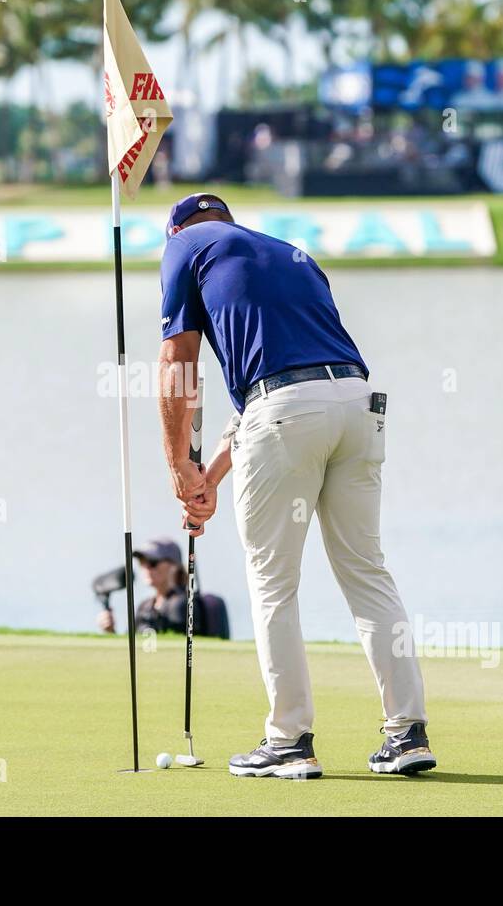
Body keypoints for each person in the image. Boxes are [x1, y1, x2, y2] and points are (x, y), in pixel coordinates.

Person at [156, 192, 434, 780]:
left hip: (285, 411)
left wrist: (179, 466)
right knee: (367, 570)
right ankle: (407, 733)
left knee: (272, 583)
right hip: (358, 404)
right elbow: (291, 389)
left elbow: (179, 363)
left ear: (176, 230)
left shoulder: (183, 246)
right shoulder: (288, 253)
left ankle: (289, 740)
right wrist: (209, 476)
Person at [95, 538, 228, 638]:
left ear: (174, 566)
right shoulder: (145, 606)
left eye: (153, 563)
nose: (146, 568)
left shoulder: (181, 605)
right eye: (142, 562)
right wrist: (111, 632)